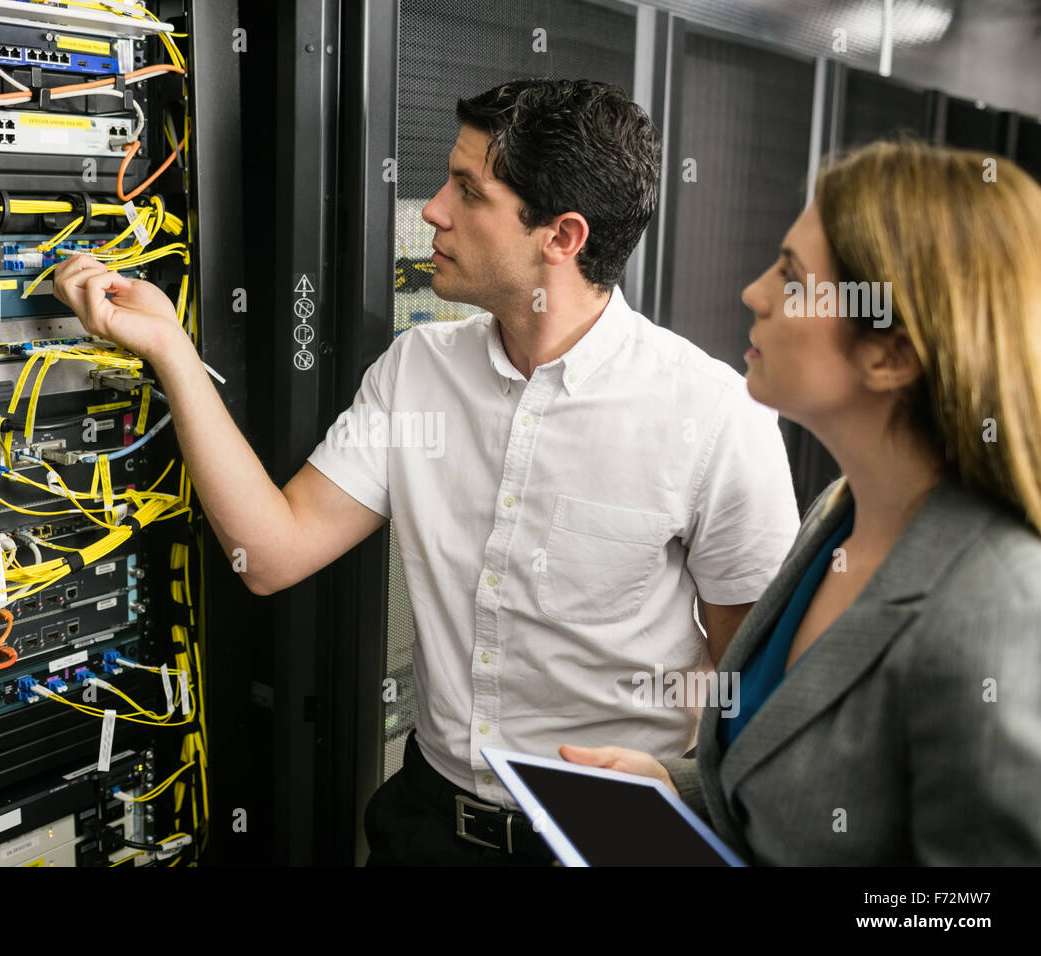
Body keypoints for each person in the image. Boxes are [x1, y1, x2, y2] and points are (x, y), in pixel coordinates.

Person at [52, 78, 801, 866]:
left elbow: (757, 682)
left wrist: (680, 789)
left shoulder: (714, 414)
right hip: (426, 828)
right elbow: (271, 554)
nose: (434, 209)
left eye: (468, 191)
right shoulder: (419, 370)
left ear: (562, 237)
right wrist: (172, 350)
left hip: (599, 842)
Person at [562, 140, 1041, 865]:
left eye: (792, 277)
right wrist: (677, 789)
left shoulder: (998, 611)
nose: (755, 292)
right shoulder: (840, 514)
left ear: (891, 356)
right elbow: (786, 756)